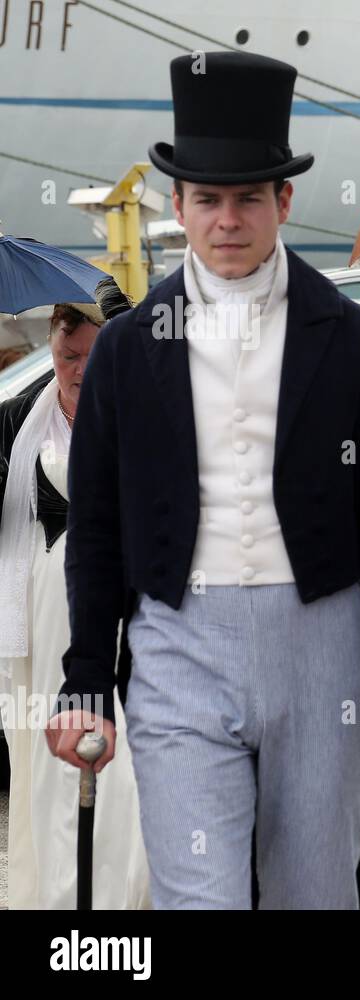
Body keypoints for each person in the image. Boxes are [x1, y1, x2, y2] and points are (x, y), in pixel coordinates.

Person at [45, 52, 360, 910]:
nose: (228, 219)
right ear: (179, 206)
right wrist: (85, 682)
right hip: (178, 648)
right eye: (208, 200)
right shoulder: (124, 351)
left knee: (314, 895)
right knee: (203, 900)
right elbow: (100, 531)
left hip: (325, 645)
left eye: (248, 198)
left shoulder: (352, 340)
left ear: (284, 202)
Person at [1, 294, 150, 909]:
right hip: (38, 611)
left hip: (115, 617)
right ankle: (60, 905)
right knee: (45, 766)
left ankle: (118, 905)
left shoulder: (142, 416)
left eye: (91, 355)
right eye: (66, 355)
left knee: (122, 781)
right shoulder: (16, 421)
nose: (78, 369)